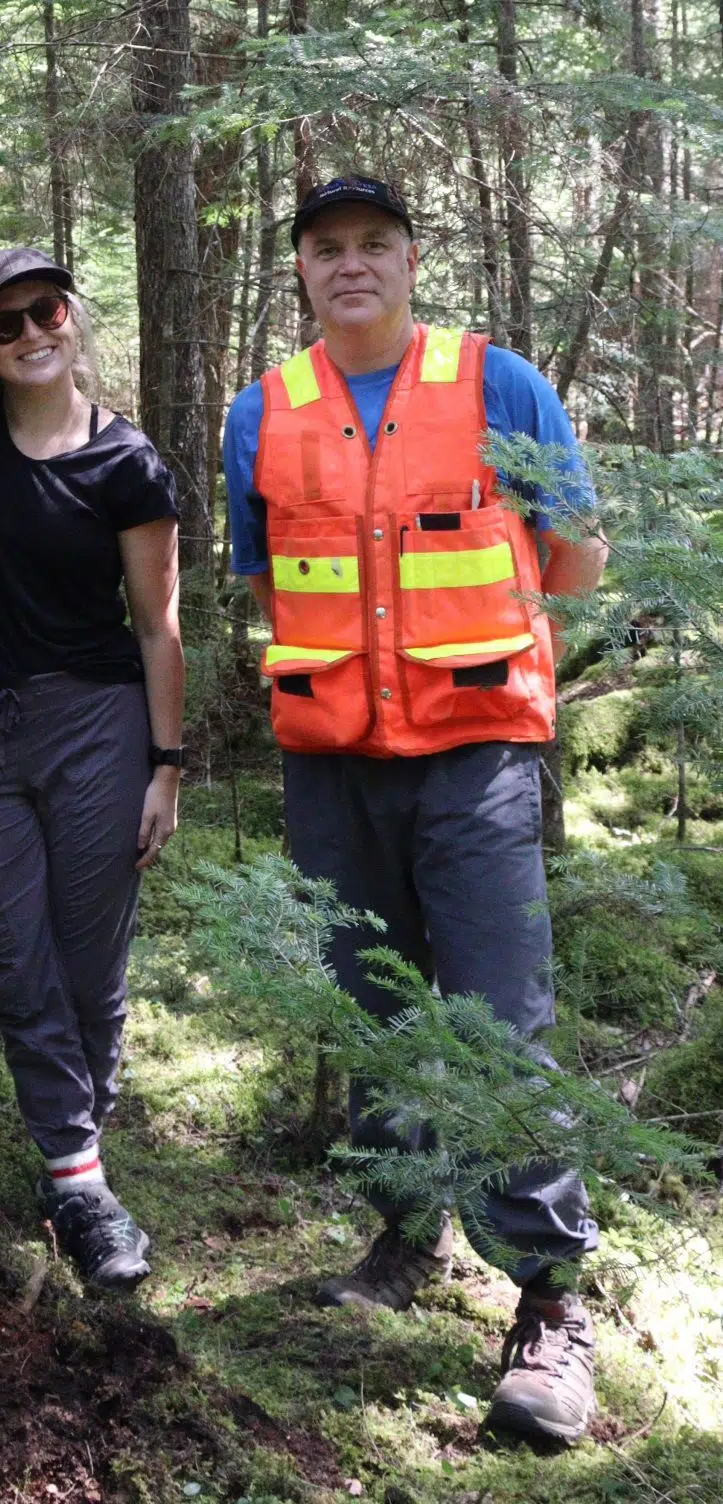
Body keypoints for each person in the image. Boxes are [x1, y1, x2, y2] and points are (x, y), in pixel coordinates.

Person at [222, 175, 608, 1449]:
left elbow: (575, 552)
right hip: (334, 762)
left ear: (411, 257)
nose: (350, 265)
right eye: (326, 248)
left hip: (478, 750)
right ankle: (404, 1228)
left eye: (373, 244)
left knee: (501, 1015)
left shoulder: (498, 384)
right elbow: (265, 573)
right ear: (301, 271)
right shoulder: (261, 414)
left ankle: (550, 1299)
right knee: (371, 1004)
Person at [0, 246, 185, 1292]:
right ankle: (80, 1180)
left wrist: (165, 765)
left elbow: (159, 625)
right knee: (12, 955)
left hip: (98, 727)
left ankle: (79, 1154)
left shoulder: (129, 466)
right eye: (4, 324)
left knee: (87, 966)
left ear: (72, 317)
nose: (31, 334)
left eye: (46, 311)